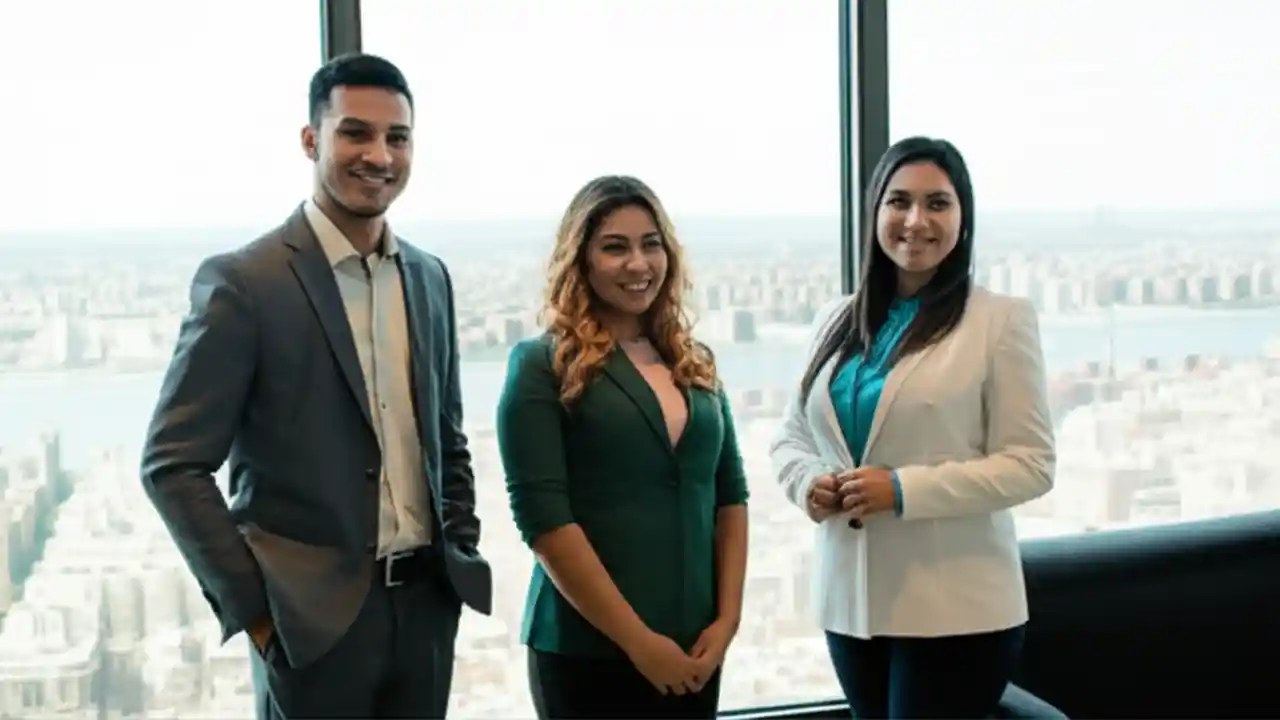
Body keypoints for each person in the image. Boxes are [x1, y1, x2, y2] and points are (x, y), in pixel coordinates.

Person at [140, 53, 491, 719]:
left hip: (425, 614)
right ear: (311, 140)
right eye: (355, 133)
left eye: (397, 138)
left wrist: (458, 555)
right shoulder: (246, 282)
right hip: (310, 630)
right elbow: (172, 464)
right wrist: (258, 612)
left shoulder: (428, 277)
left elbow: (447, 440)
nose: (379, 156)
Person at [770, 136, 1055, 719]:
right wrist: (808, 483)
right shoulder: (837, 318)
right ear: (875, 211)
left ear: (963, 218)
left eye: (937, 203)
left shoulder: (999, 321)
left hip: (955, 607)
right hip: (852, 601)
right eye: (898, 201)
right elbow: (791, 436)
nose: (916, 220)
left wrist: (900, 490)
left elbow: (1031, 463)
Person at [496, 175, 750, 719]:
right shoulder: (541, 365)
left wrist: (727, 622)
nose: (638, 263)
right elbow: (544, 521)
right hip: (586, 653)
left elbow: (730, 496)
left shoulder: (695, 361)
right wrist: (638, 642)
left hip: (696, 649)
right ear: (580, 258)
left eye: (650, 243)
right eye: (615, 246)